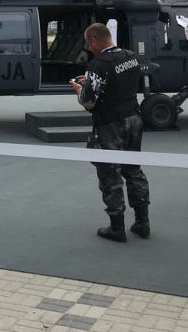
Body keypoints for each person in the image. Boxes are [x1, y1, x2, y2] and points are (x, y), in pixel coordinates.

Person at [70, 23, 150, 242]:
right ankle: (143, 222)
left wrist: (80, 88)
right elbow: (118, 83)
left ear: (95, 40)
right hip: (134, 118)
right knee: (134, 169)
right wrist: (91, 82)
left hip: (110, 124)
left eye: (89, 43)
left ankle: (117, 226)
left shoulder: (97, 64)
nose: (89, 47)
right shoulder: (131, 56)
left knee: (109, 173)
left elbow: (88, 102)